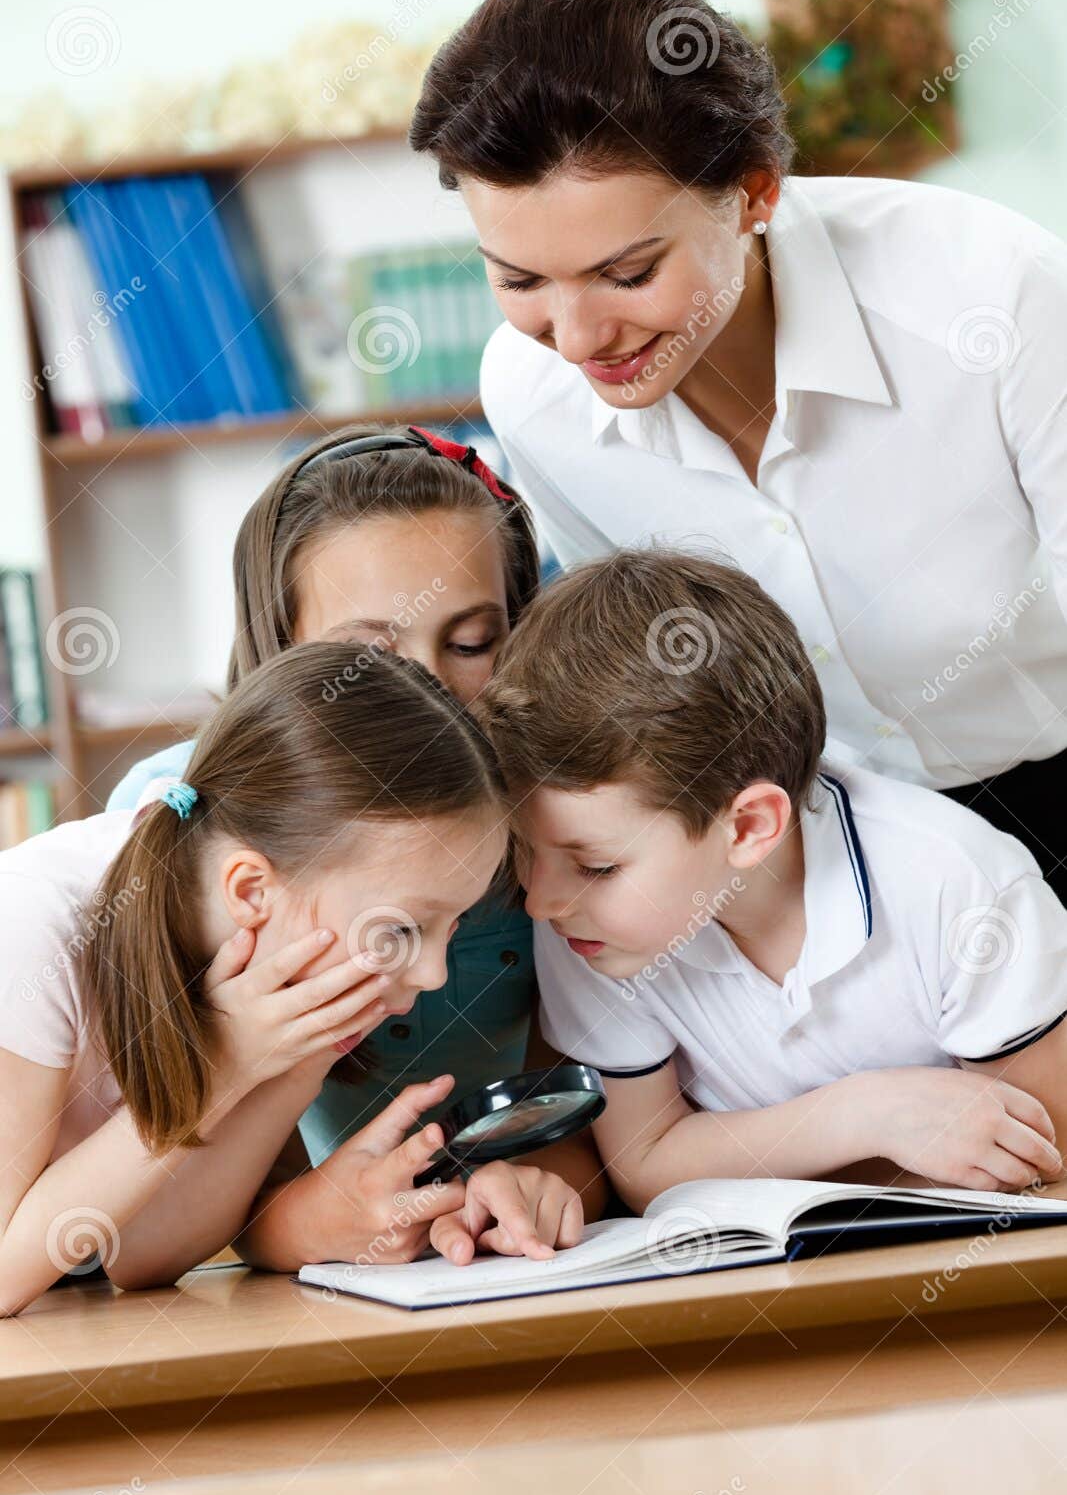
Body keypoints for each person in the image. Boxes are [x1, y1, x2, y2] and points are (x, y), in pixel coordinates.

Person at [410, 0, 1067, 896]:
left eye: (627, 273)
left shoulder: (993, 299)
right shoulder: (530, 394)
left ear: (754, 192)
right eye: (519, 281)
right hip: (810, 845)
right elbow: (655, 680)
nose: (579, 336)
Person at [106, 423, 605, 1233]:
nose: (433, 692)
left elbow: (602, 1106)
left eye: (474, 642)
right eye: (368, 658)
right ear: (280, 654)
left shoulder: (561, 823)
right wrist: (305, 1222)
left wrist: (525, 1182)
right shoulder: (181, 821)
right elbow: (146, 1204)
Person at [0, 642, 583, 1315]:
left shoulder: (268, 986)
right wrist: (220, 1071)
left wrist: (276, 1072)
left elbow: (144, 1255)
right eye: (400, 929)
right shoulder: (33, 929)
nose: (430, 973)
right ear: (250, 889)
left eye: (450, 926)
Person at [477, 548, 1067, 1211]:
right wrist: (866, 1113)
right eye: (523, 848)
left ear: (749, 827)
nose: (539, 900)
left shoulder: (954, 883)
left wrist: (738, 1158)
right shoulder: (591, 926)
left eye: (598, 866)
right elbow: (642, 1169)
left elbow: (1038, 1163)